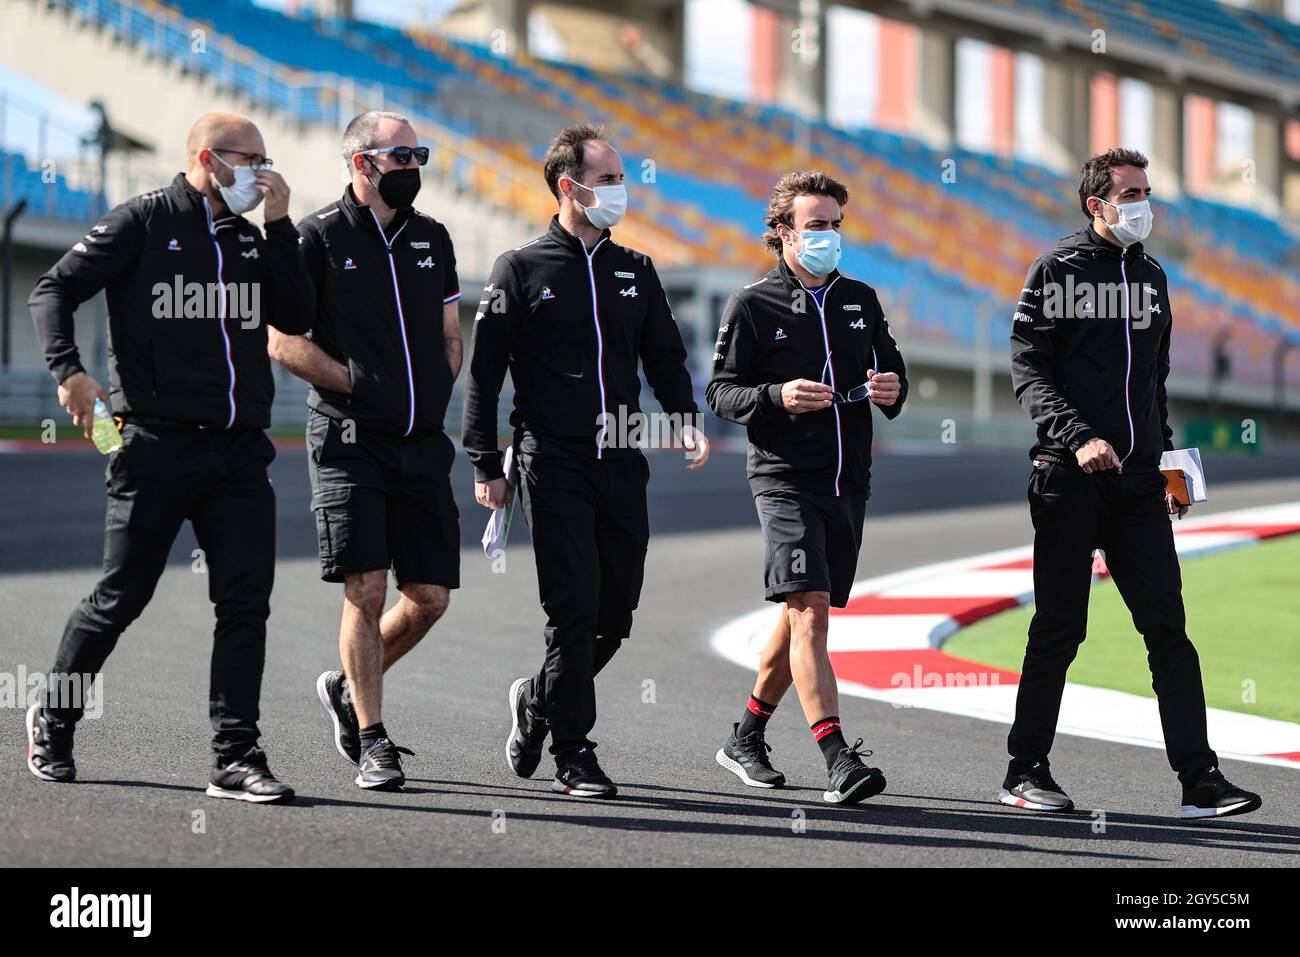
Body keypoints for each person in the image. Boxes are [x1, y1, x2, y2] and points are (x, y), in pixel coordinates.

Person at [25, 112, 312, 803]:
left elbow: (298, 316)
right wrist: (70, 371)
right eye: (253, 160)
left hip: (240, 449)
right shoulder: (144, 220)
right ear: (210, 160)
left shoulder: (253, 239)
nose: (265, 172)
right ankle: (54, 720)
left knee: (246, 604)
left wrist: (279, 225)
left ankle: (235, 753)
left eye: (269, 161)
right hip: (152, 441)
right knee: (120, 595)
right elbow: (52, 290)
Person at [1004, 147, 1261, 819]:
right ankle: (1025, 768)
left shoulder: (1150, 276)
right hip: (1068, 477)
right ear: (1097, 204)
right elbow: (1028, 370)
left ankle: (1199, 780)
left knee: (1168, 629)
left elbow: (1152, 383)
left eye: (1147, 190)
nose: (1145, 203)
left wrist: (1168, 460)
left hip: (1141, 484)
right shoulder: (1054, 271)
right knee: (1061, 627)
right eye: (1132, 192)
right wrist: (1077, 435)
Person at [462, 123, 709, 799]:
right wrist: (485, 461)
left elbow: (664, 355)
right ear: (568, 187)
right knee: (572, 608)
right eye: (608, 179)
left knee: (615, 615)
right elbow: (484, 375)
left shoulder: (638, 269)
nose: (621, 190)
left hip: (624, 455)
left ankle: (538, 698)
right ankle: (575, 751)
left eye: (622, 178)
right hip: (552, 458)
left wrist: (685, 420)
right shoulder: (521, 269)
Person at [268, 111, 462, 792]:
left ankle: (347, 687)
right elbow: (284, 340)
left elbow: (448, 332)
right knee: (366, 585)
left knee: (430, 597)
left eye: (421, 155)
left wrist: (436, 383)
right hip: (348, 438)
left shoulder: (433, 238)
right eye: (402, 155)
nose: (414, 166)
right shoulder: (318, 236)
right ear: (361, 162)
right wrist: (358, 383)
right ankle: (373, 737)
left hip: (422, 442)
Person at [707, 170, 906, 805]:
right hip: (784, 480)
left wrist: (892, 388)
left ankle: (745, 736)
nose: (829, 236)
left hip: (849, 482)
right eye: (816, 225)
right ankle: (837, 755)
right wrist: (776, 396)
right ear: (782, 233)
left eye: (835, 225)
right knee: (810, 611)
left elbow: (892, 365)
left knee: (799, 613)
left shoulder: (861, 300)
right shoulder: (752, 305)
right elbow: (720, 392)